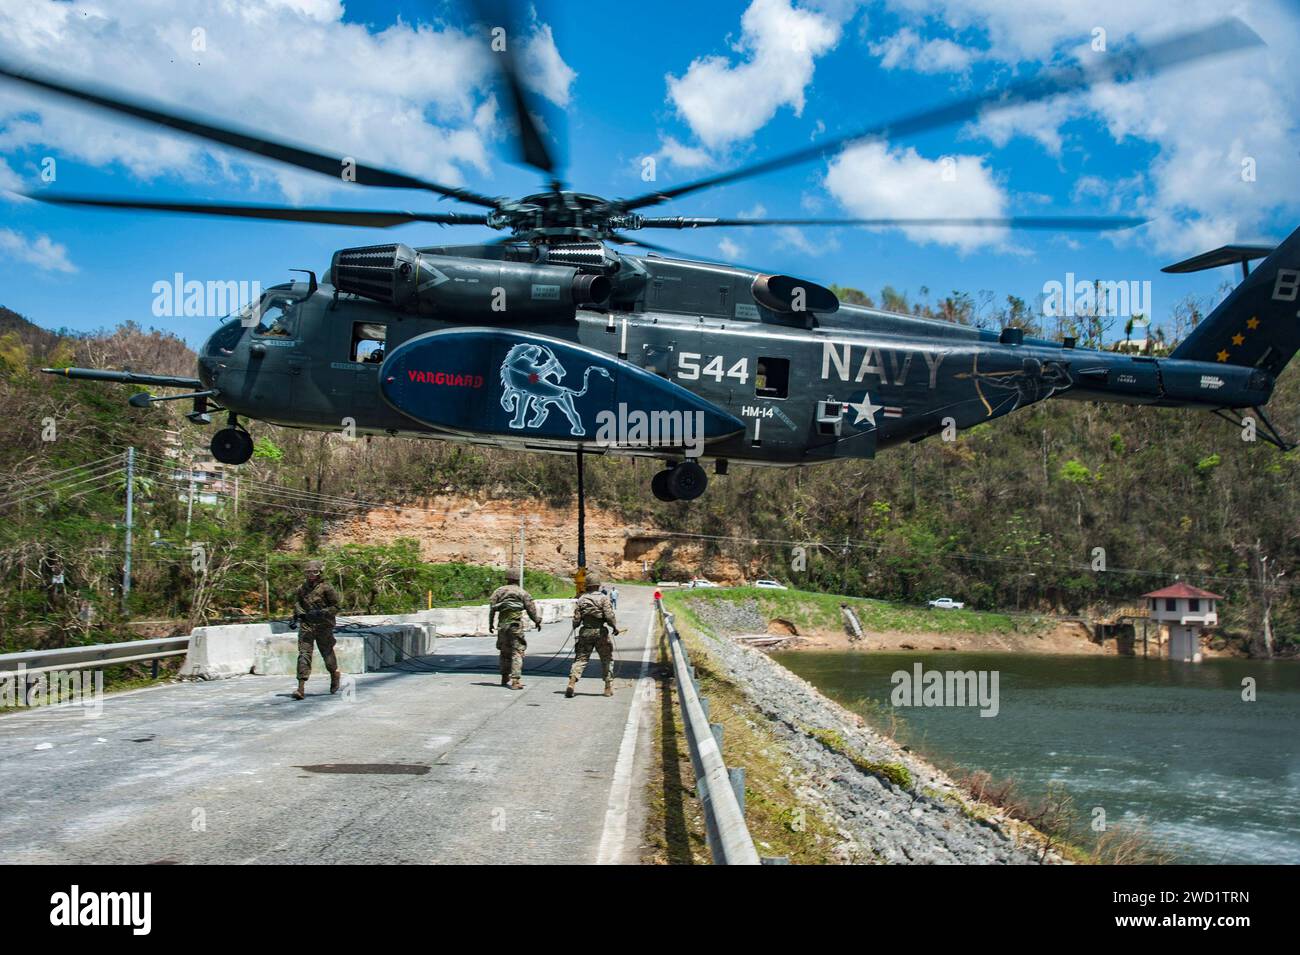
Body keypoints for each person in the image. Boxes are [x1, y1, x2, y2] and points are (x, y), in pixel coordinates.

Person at [292, 559, 341, 700]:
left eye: (314, 572)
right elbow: (298, 603)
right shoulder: (301, 588)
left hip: (323, 626)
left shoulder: (327, 588)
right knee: (304, 654)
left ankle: (334, 674)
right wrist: (297, 615)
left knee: (327, 653)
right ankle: (300, 688)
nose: (311, 575)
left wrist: (322, 613)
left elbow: (336, 606)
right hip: (307, 625)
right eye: (308, 572)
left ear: (320, 573)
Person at [568, 571, 620, 699]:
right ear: (598, 585)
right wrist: (614, 627)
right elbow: (609, 616)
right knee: (606, 659)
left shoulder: (582, 599)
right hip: (600, 632)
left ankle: (572, 683)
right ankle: (608, 687)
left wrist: (575, 625)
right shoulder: (603, 598)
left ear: (587, 585)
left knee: (581, 659)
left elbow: (576, 619)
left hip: (585, 632)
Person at [489, 568, 541, 690]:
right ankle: (515, 681)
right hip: (515, 626)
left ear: (507, 578)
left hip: (502, 626)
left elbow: (492, 608)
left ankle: (504, 676)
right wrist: (537, 621)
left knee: (504, 651)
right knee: (517, 652)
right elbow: (531, 609)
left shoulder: (499, 591)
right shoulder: (522, 592)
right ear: (518, 578)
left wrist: (490, 624)